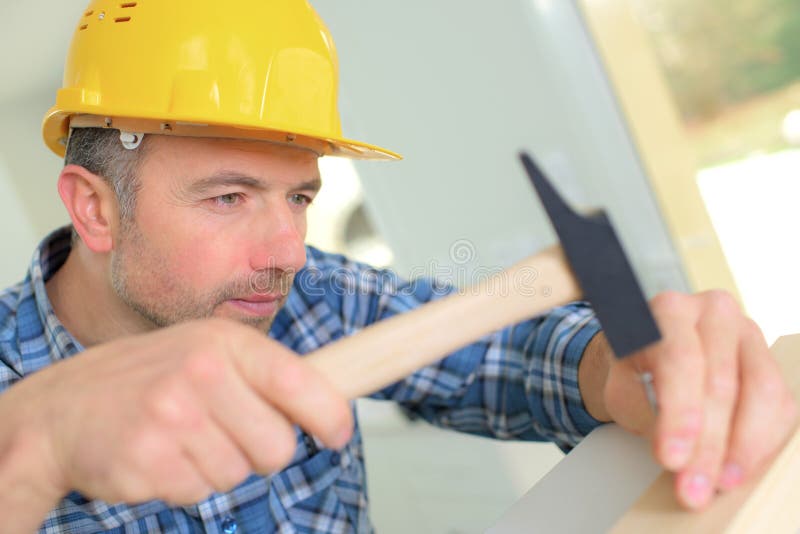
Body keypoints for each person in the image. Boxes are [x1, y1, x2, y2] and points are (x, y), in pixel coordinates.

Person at [0, 1, 795, 532]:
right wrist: (34, 443)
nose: (285, 251)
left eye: (300, 198)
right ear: (96, 208)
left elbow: (496, 358)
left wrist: (611, 369)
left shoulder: (315, 299)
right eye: (229, 197)